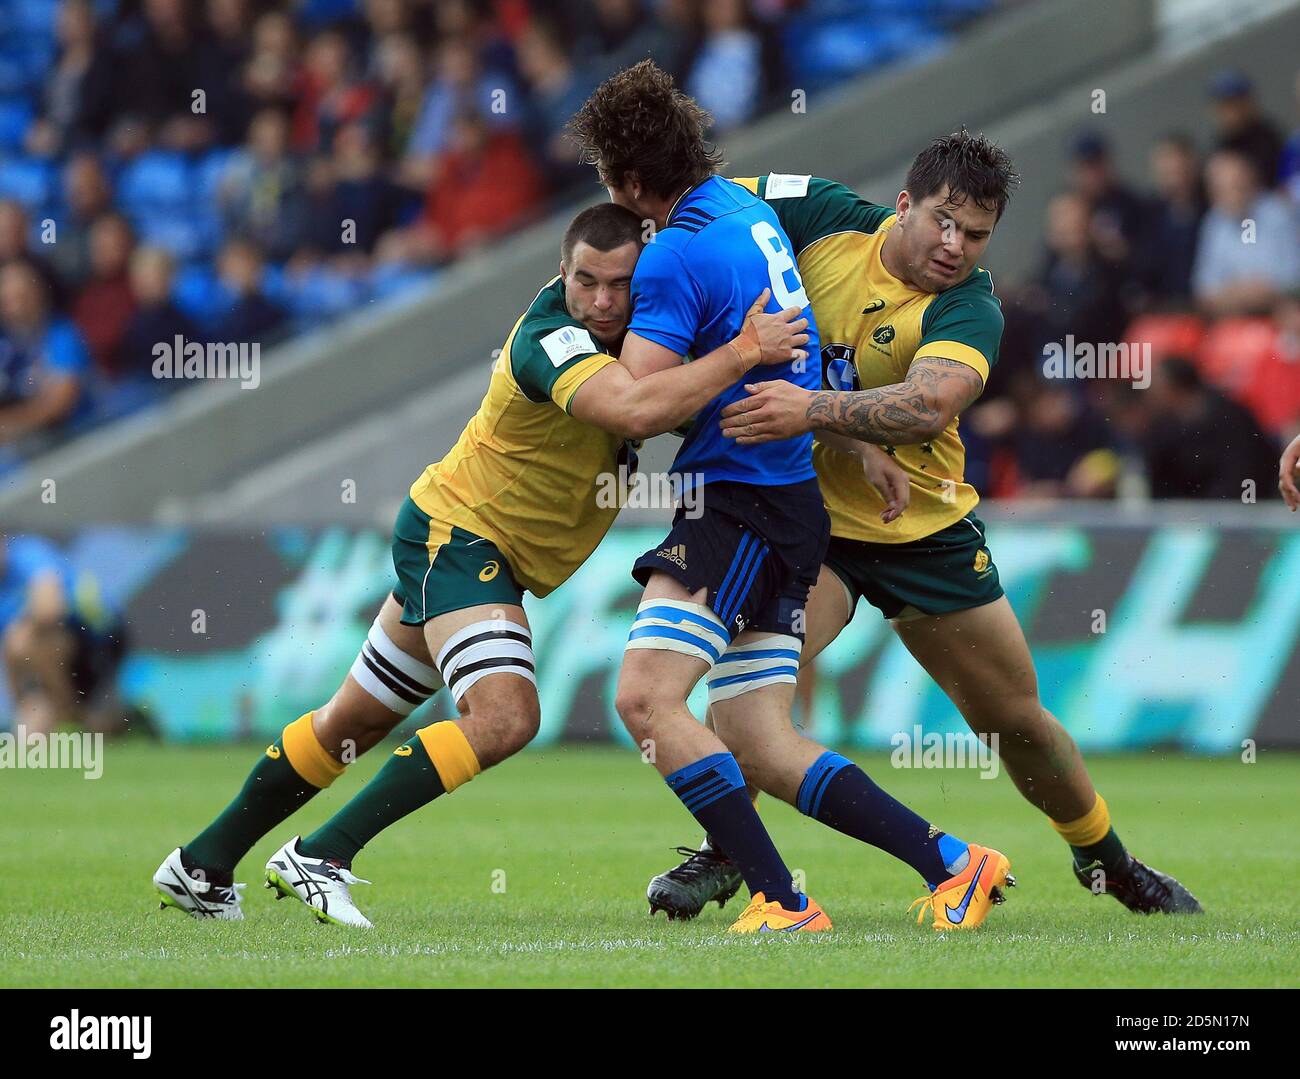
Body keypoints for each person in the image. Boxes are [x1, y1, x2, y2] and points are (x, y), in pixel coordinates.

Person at [152, 202, 809, 922]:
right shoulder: (550, 336)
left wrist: (830, 421)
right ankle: (324, 855)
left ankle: (201, 865)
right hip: (461, 537)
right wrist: (742, 351)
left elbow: (685, 403)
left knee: (351, 723)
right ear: (562, 273)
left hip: (468, 543)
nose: (599, 300)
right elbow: (634, 411)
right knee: (505, 716)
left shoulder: (644, 340)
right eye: (585, 281)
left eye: (618, 284)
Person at [649, 131, 1201, 920]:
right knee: (743, 702)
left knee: (1015, 722)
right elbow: (703, 201)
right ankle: (729, 850)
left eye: (976, 234)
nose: (955, 245)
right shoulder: (820, 213)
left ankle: (1108, 860)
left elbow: (928, 405)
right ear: (903, 204)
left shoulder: (971, 306)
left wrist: (810, 410)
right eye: (944, 221)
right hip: (810, 525)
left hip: (923, 531)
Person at [572, 62, 1012, 934]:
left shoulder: (677, 252)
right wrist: (851, 439)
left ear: (627, 181)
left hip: (734, 501)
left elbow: (641, 402)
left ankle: (784, 899)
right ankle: (955, 861)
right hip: (794, 502)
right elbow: (797, 359)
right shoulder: (750, 216)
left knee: (645, 699)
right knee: (758, 735)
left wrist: (569, 350)